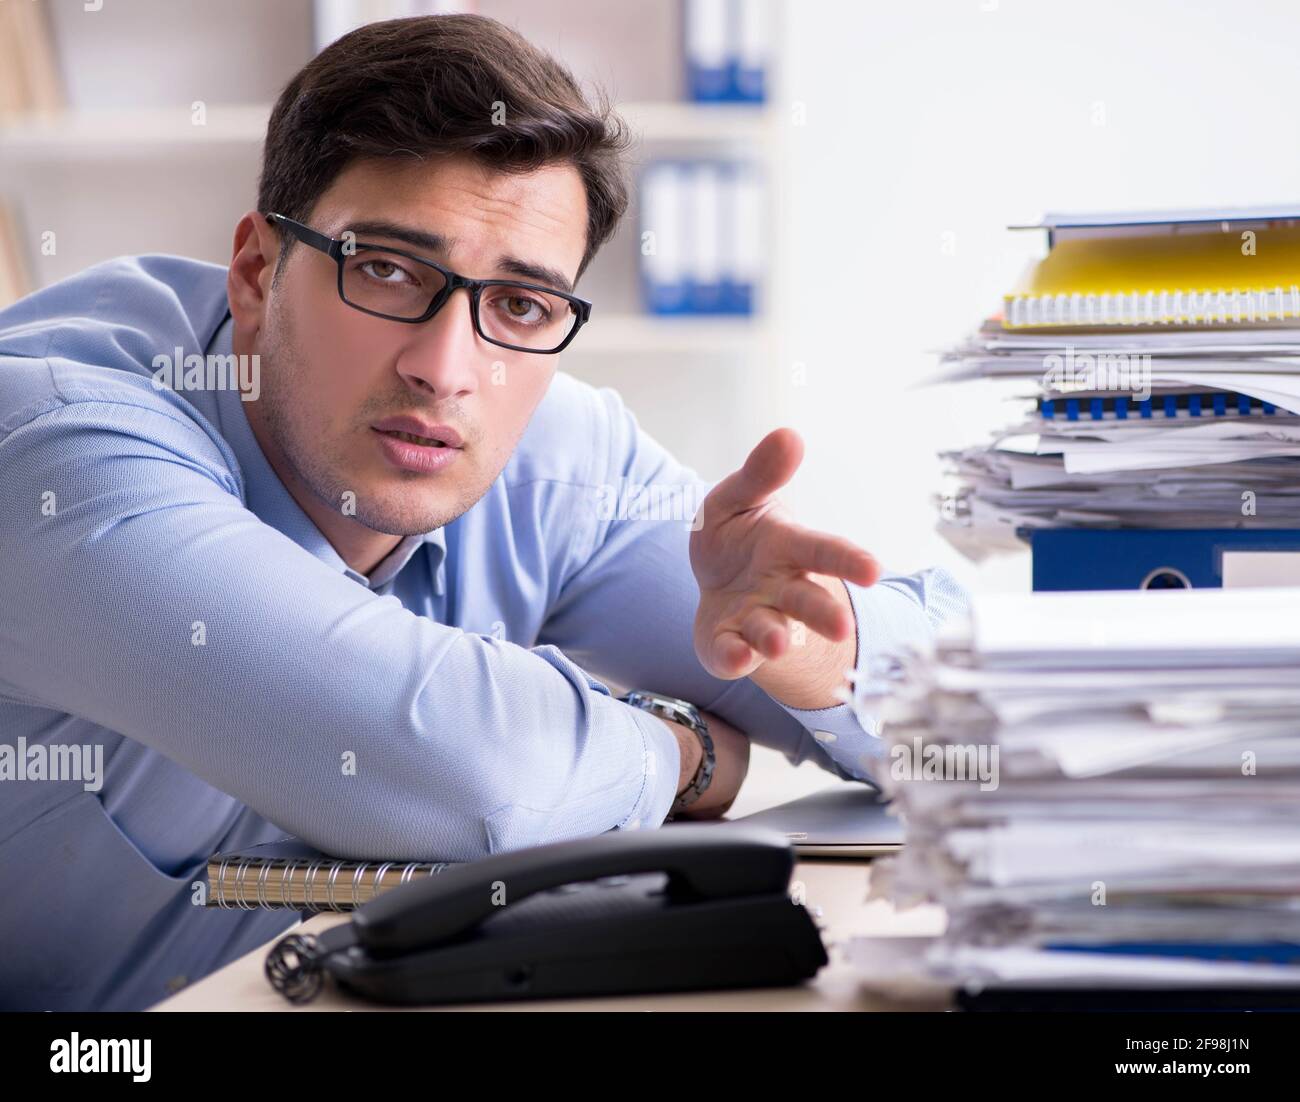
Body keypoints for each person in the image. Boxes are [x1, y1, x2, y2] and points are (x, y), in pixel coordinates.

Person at [0, 13, 966, 1010]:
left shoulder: (552, 456)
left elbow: (991, 710)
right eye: (384, 269)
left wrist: (804, 655)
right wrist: (679, 746)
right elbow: (474, 772)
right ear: (257, 272)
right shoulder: (50, 446)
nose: (446, 368)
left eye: (520, 305)